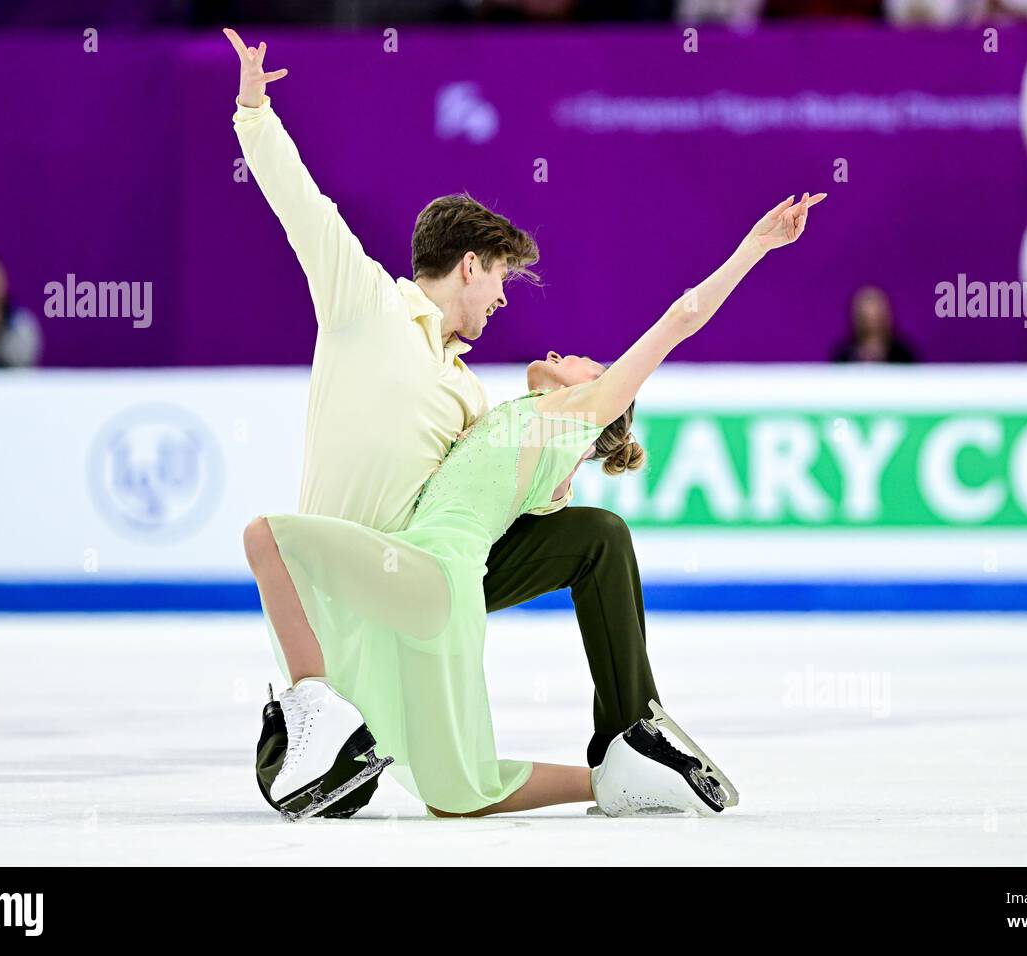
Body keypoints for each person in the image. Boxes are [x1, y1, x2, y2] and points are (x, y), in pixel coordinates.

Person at [245, 165, 826, 817]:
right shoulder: (495, 414)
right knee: (455, 795)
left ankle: (313, 702)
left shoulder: (576, 413)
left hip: (431, 575)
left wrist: (755, 246)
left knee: (267, 537)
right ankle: (608, 780)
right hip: (434, 595)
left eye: (589, 363)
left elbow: (683, 315)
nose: (568, 352)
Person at [223, 28, 663, 817]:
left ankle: (631, 740)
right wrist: (254, 109)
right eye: (499, 279)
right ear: (470, 264)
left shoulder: (469, 396)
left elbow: (481, 496)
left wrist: (553, 488)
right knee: (440, 788)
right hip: (347, 575)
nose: (501, 298)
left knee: (600, 535)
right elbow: (301, 203)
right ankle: (325, 712)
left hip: (428, 571)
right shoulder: (363, 304)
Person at [831, 285, 916, 363]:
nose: (872, 322)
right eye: (866, 317)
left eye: (877, 315)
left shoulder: (903, 356)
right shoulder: (844, 357)